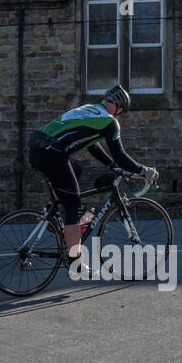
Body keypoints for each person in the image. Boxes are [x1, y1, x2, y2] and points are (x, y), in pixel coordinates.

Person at [27, 85, 157, 267]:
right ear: (119, 109)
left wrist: (112, 166)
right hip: (53, 155)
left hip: (37, 148)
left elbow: (92, 145)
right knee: (74, 208)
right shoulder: (110, 122)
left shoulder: (89, 109)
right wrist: (142, 170)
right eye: (121, 113)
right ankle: (75, 263)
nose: (119, 116)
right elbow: (120, 155)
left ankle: (52, 214)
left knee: (76, 169)